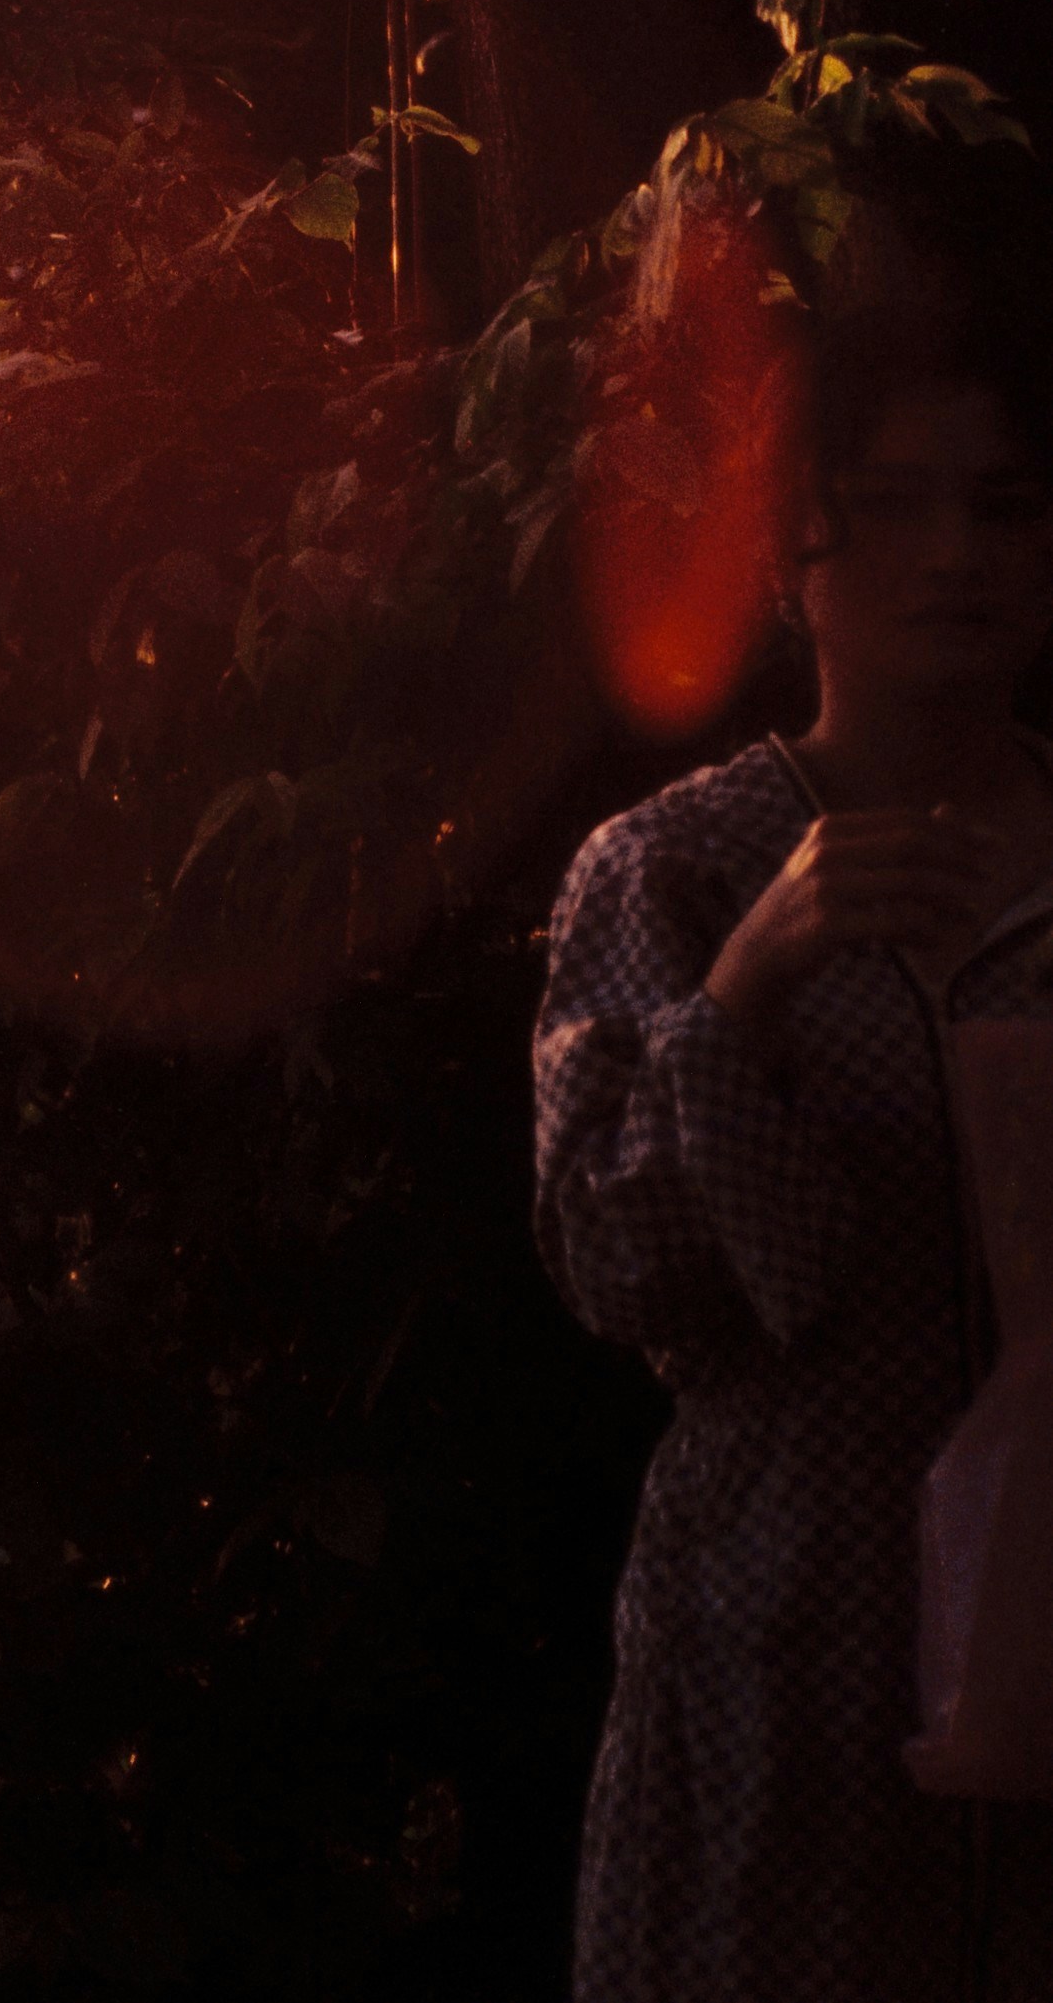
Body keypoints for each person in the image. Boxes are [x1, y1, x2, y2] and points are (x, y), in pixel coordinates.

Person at [537, 173, 1053, 2002]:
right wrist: (752, 981)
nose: (953, 556)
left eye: (1000, 506)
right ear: (792, 557)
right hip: (796, 1657)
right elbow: (610, 1264)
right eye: (889, 507)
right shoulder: (674, 872)